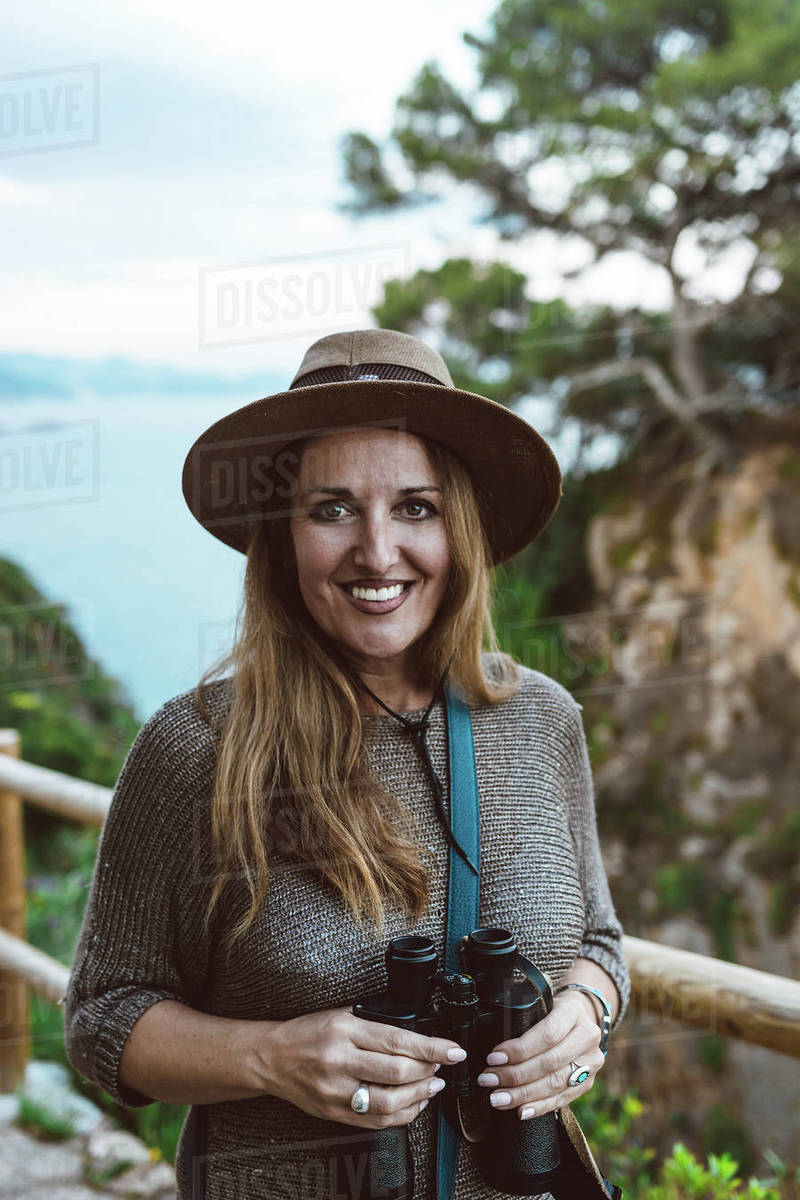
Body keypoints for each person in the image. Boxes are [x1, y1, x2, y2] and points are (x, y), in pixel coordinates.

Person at [63, 328, 630, 1200]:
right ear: (281, 536)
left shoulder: (541, 721)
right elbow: (103, 1019)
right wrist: (269, 1057)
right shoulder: (197, 750)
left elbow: (597, 943)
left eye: (416, 507)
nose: (376, 552)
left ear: (461, 527)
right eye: (331, 508)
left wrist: (584, 1016)